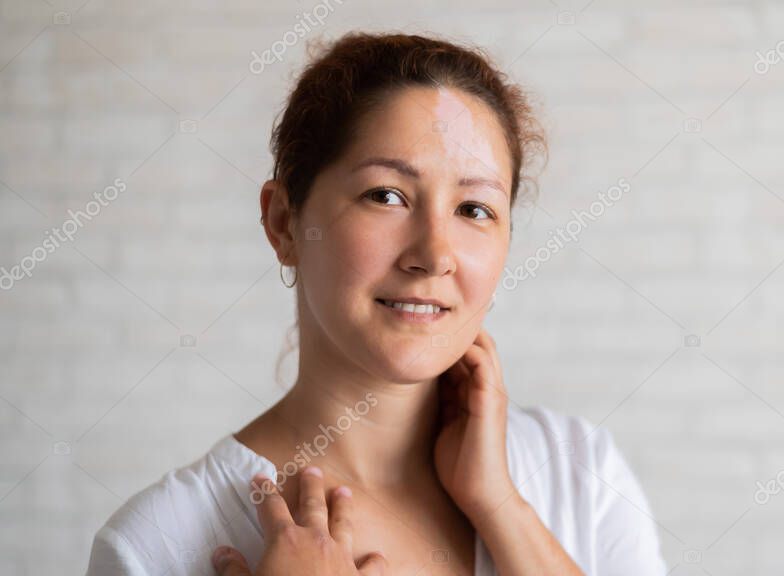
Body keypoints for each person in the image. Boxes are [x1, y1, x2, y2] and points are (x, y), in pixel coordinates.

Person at [85, 31, 666, 575]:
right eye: (386, 196)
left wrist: (500, 505)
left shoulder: (580, 472)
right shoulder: (155, 545)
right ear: (284, 222)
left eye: (474, 209)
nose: (435, 255)